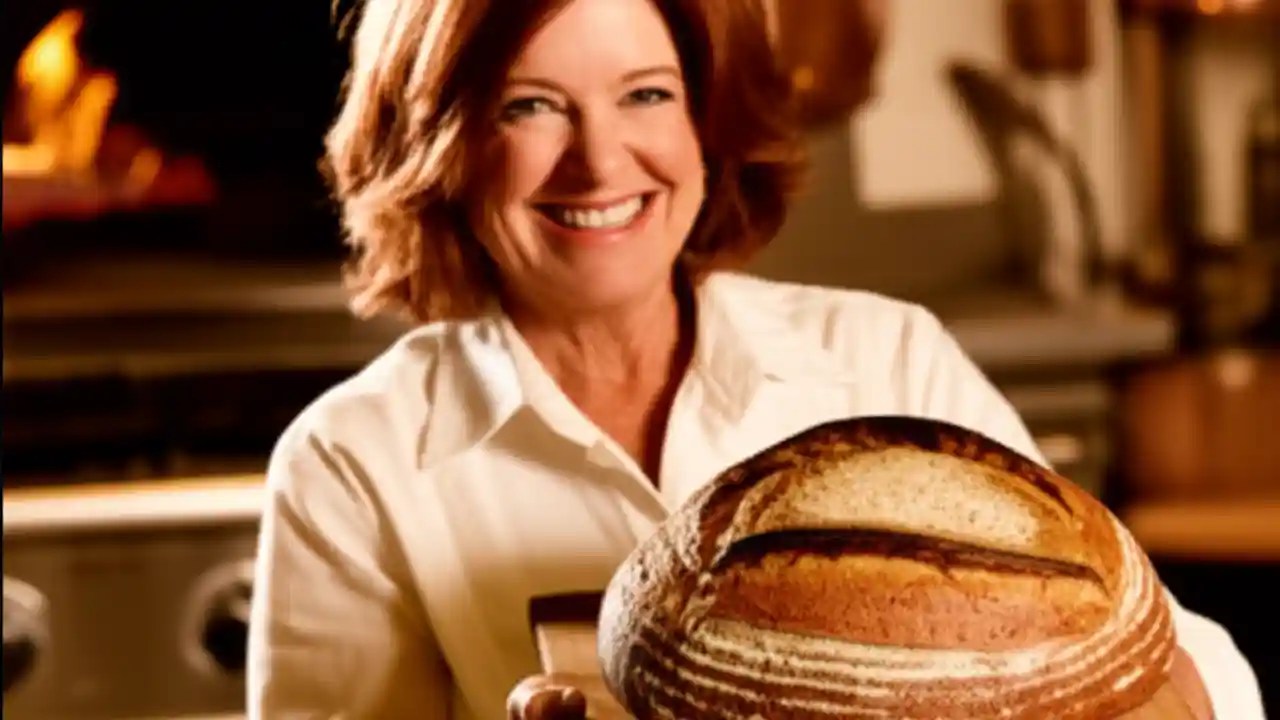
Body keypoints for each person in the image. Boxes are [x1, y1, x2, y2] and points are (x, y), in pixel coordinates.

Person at [245, 0, 1265, 718]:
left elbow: (1183, 665)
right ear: (442, 143)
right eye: (529, 105)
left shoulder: (883, 356)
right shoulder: (354, 461)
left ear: (705, 121)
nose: (599, 162)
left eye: (644, 95)